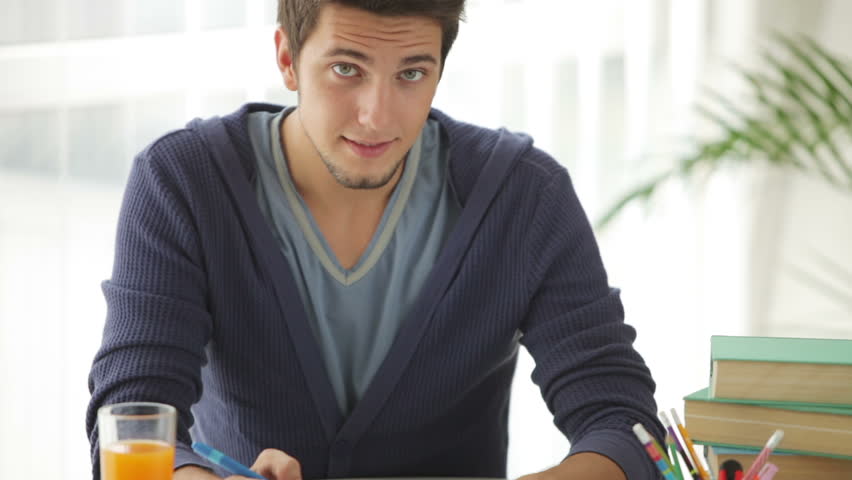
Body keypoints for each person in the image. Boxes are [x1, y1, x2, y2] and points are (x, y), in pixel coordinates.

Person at [86, 1, 666, 479]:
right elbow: (131, 417)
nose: (377, 116)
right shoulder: (183, 182)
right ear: (288, 59)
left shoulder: (524, 196)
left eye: (412, 73)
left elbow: (625, 422)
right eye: (347, 69)